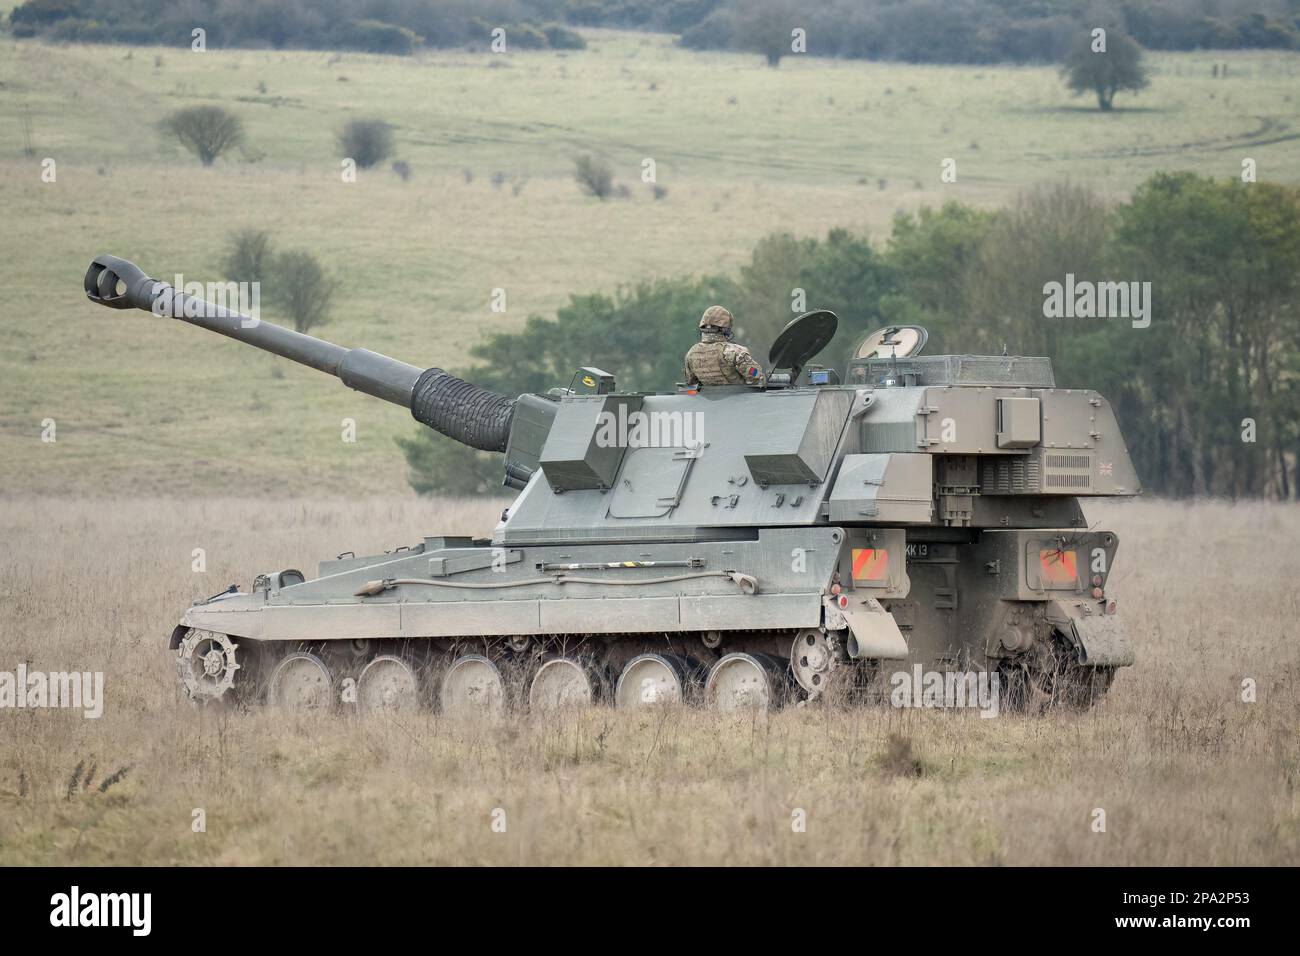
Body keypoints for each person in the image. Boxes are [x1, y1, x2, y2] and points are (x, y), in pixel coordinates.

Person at [683, 306, 765, 387]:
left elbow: (691, 383)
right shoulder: (735, 352)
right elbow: (756, 376)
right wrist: (760, 374)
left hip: (707, 399)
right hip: (738, 399)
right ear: (726, 330)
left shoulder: (691, 354)